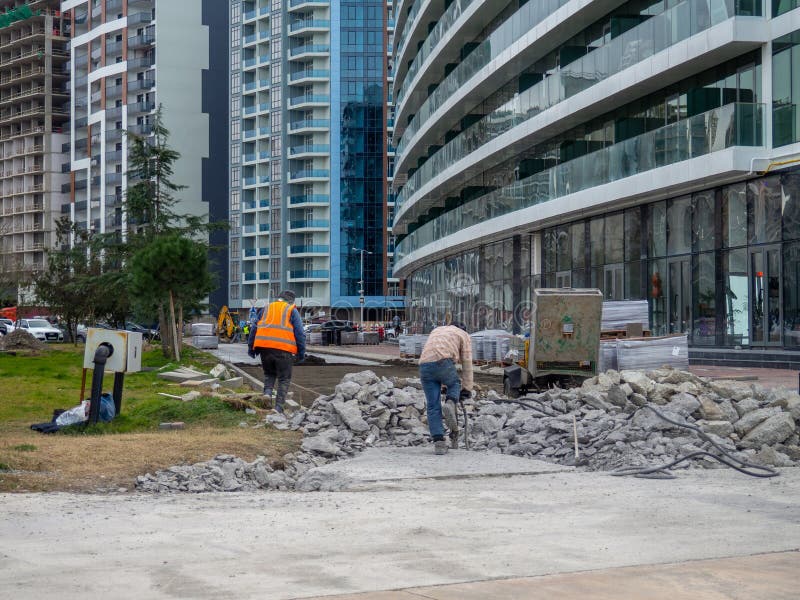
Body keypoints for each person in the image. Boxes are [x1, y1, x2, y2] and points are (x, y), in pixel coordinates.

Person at [418, 321, 473, 455]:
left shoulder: (437, 330)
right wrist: (466, 389)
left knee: (432, 405)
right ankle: (450, 403)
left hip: (424, 365)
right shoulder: (463, 334)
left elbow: (434, 352)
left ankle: (439, 443)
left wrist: (443, 384)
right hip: (443, 361)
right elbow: (467, 363)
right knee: (455, 383)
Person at [247, 290, 306, 413]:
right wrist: (301, 353)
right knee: (284, 379)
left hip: (264, 348)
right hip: (283, 349)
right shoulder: (291, 310)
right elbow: (300, 333)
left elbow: (254, 328)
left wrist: (251, 347)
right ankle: (278, 408)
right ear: (291, 301)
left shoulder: (266, 308)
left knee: (269, 374)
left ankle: (267, 394)